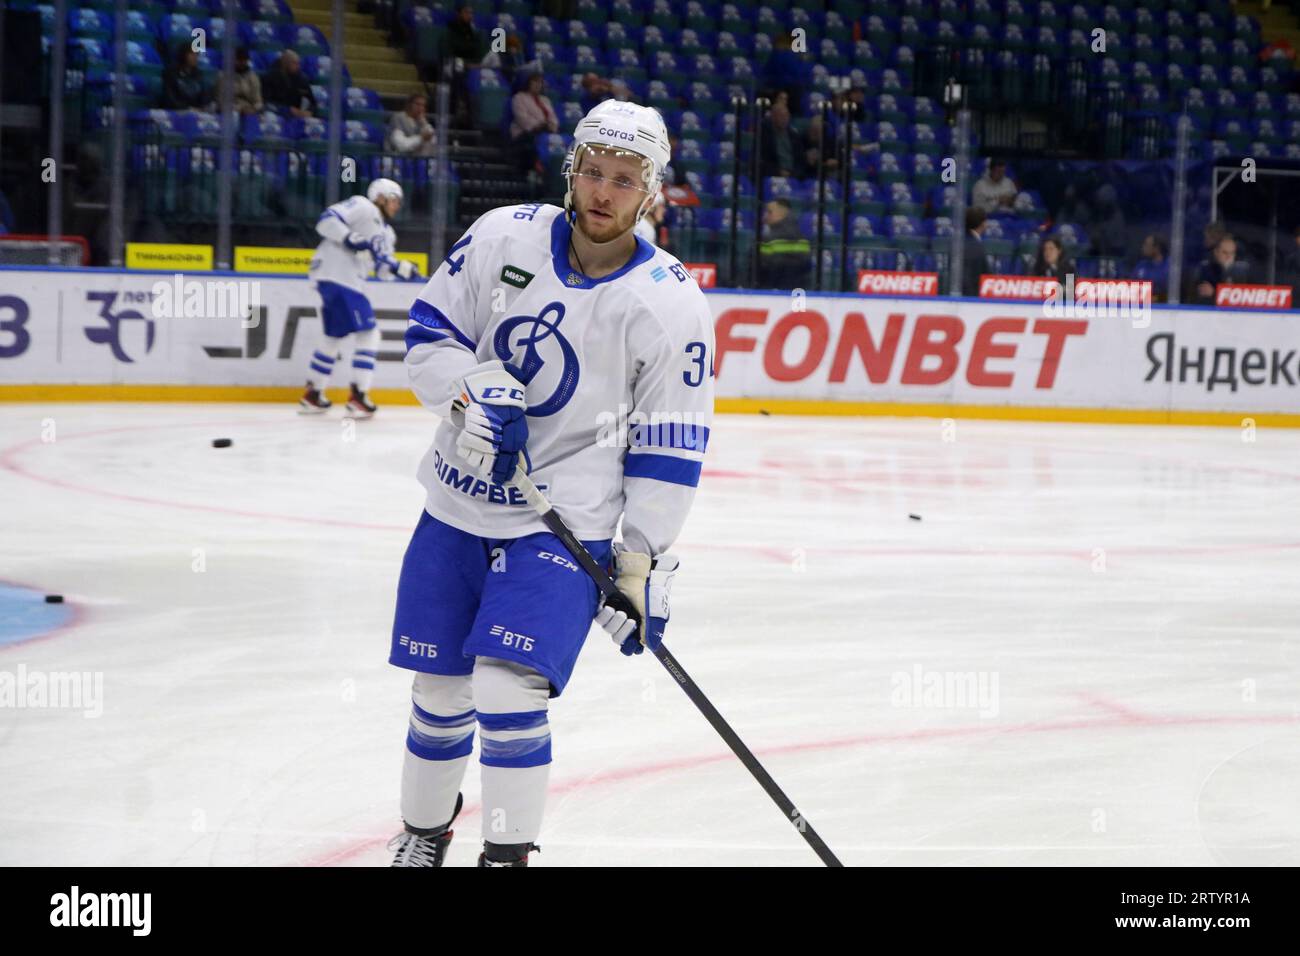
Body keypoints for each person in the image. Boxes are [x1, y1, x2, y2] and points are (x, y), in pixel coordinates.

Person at [386, 100, 713, 867]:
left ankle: (506, 855)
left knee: (506, 693)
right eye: (593, 172)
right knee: (439, 695)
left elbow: (669, 446)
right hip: (455, 508)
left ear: (650, 191)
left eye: (623, 180)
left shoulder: (669, 303)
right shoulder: (505, 233)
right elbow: (428, 335)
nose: (603, 192)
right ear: (572, 170)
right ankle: (422, 835)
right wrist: (470, 393)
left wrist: (639, 565)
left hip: (561, 525)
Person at [299, 179, 424, 417]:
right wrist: (350, 237)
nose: (397, 206)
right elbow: (326, 220)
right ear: (380, 197)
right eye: (394, 200)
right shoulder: (363, 206)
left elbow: (383, 268)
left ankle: (313, 394)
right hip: (339, 277)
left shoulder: (387, 233)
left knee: (333, 336)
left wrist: (401, 269)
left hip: (340, 280)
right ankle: (358, 395)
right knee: (369, 334)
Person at [509, 72, 558, 175]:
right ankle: (537, 170)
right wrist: (538, 125)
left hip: (545, 132)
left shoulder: (545, 100)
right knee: (533, 144)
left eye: (540, 82)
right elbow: (521, 118)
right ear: (528, 83)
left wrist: (551, 126)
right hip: (525, 133)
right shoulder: (519, 98)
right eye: (535, 81)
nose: (538, 84)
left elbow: (553, 118)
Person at [758, 199, 811, 288]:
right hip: (797, 291)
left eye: (769, 212)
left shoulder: (768, 239)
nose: (765, 216)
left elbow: (761, 267)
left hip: (772, 290)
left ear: (782, 214)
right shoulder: (802, 238)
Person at [1194, 234, 1252, 304]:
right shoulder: (1205, 269)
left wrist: (1215, 293)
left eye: (1232, 253)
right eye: (1225, 252)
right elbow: (1203, 294)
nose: (1229, 256)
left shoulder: (1242, 270)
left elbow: (1245, 297)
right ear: (1216, 252)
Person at [263, 50, 316, 118]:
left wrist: (309, 111)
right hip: (276, 115)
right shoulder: (269, 77)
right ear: (285, 63)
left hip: (296, 117)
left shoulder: (301, 79)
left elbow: (312, 102)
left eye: (298, 63)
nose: (298, 66)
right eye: (294, 63)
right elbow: (266, 103)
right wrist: (286, 110)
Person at [162, 45, 212, 111]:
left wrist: (204, 107)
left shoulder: (198, 74)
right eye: (192, 54)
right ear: (183, 55)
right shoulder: (170, 73)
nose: (195, 57)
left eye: (196, 54)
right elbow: (170, 97)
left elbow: (204, 95)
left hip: (197, 111)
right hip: (177, 110)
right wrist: (186, 108)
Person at [760, 101, 802, 179]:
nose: (785, 119)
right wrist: (778, 172)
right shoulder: (764, 135)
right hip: (772, 176)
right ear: (773, 117)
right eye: (781, 116)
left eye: (786, 115)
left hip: (793, 176)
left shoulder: (794, 136)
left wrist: (794, 174)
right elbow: (762, 161)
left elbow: (800, 160)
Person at [216, 48, 263, 116]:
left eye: (244, 60)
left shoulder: (253, 77)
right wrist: (237, 108)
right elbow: (220, 101)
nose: (242, 62)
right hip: (230, 110)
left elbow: (258, 101)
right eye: (239, 60)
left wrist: (254, 109)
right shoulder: (223, 76)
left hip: (249, 110)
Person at [1131, 234, 1169, 301]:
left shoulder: (1169, 266)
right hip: (1140, 304)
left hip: (1162, 307)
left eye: (1146, 245)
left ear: (1156, 248)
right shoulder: (1141, 265)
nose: (1143, 248)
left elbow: (1166, 289)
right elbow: (1132, 285)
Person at [961, 206, 988, 296]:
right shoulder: (975, 246)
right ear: (983, 224)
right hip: (971, 295)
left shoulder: (958, 241)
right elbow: (986, 273)